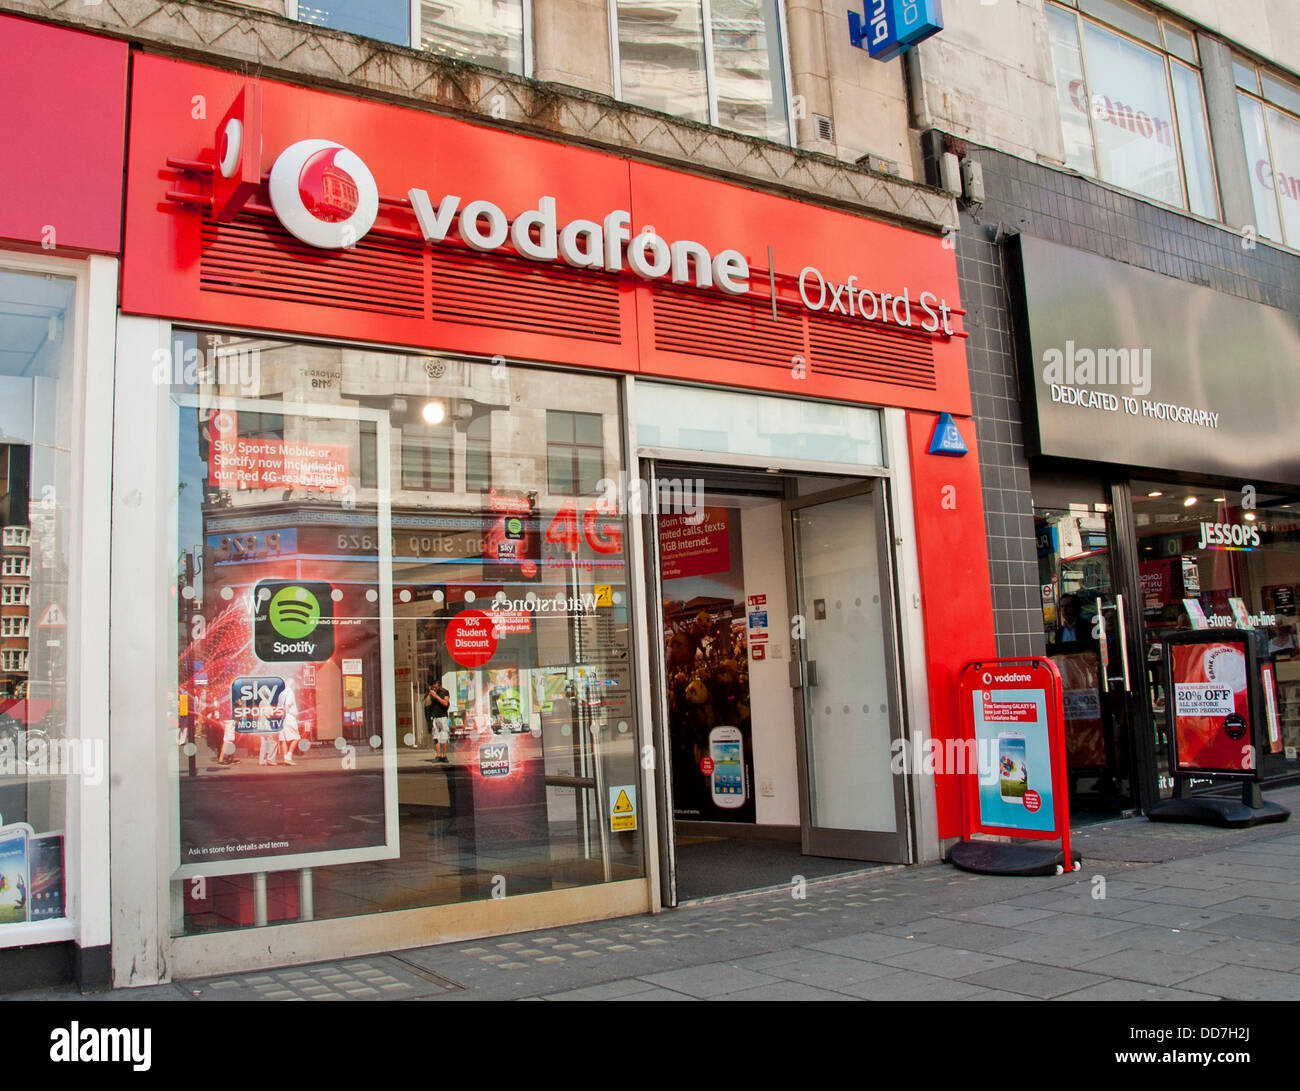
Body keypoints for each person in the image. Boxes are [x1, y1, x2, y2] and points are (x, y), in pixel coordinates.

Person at [424, 674, 451, 762]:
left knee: (444, 736)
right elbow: (426, 703)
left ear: (439, 686)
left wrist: (436, 696)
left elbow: (445, 703)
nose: (434, 689)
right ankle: (438, 755)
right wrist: (429, 694)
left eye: (436, 687)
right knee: (436, 736)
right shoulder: (432, 693)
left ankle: (444, 755)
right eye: (433, 687)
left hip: (442, 716)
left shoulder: (445, 692)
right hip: (434, 716)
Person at [277, 682, 301, 766]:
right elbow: (287, 706)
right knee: (297, 737)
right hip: (289, 718)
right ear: (292, 685)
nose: (295, 686)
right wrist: (286, 716)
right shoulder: (290, 692)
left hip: (281, 719)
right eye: (294, 685)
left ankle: (285, 758)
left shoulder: (281, 694)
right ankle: (289, 757)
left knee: (283, 739)